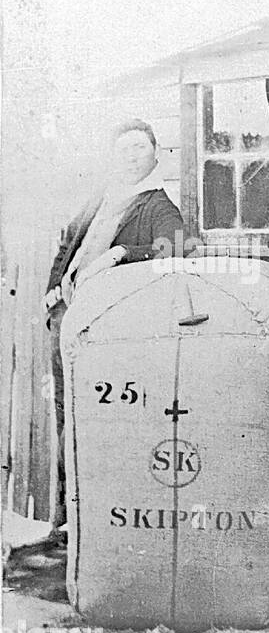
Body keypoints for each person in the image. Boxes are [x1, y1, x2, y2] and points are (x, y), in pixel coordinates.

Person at [44, 118, 184, 529]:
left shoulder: (157, 204)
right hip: (66, 319)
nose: (131, 155)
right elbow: (67, 243)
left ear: (155, 153)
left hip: (107, 331)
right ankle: (64, 518)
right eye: (123, 148)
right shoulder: (99, 198)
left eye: (139, 147)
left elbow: (176, 247)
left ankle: (97, 521)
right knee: (64, 414)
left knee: (99, 419)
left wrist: (123, 251)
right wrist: (53, 286)